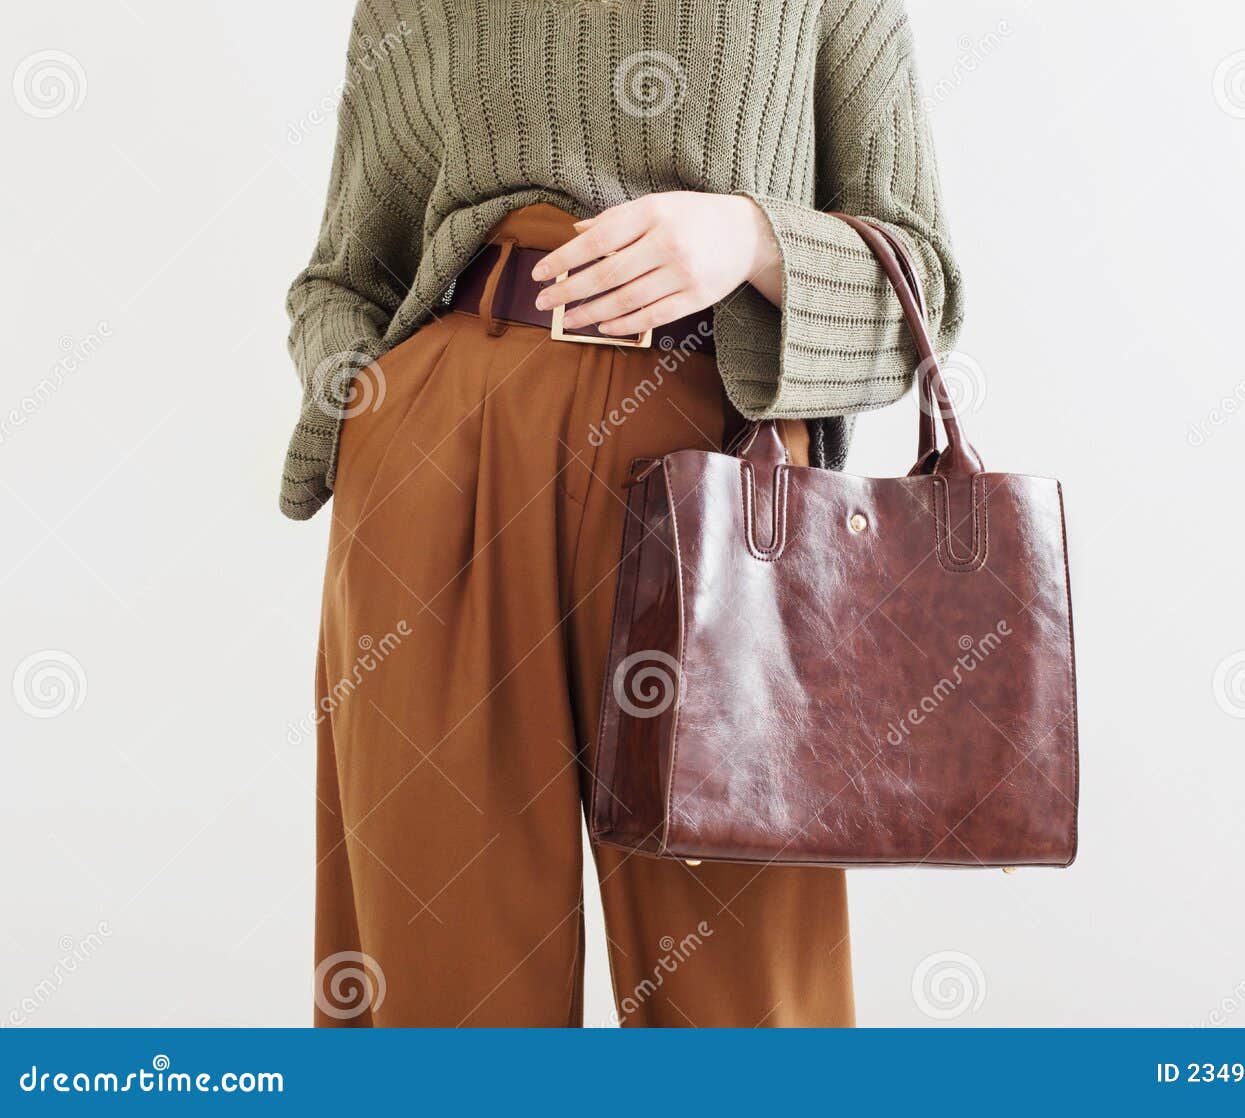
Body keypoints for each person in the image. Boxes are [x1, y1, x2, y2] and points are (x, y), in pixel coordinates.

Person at [282, 0, 962, 1028]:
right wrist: (376, 425)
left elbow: (924, 288)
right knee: (438, 990)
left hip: (724, 491)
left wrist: (752, 238)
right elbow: (344, 278)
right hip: (442, 471)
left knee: (751, 1005)